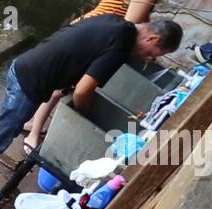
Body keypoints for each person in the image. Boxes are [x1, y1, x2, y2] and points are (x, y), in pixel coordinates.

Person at [0, 16, 183, 209]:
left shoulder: (119, 23)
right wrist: (84, 115)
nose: (145, 58)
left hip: (31, 65)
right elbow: (83, 91)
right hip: (30, 79)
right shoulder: (122, 44)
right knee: (1, 137)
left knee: (5, 134)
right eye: (150, 54)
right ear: (152, 39)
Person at [23, 0, 159, 151]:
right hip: (96, 39)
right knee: (58, 89)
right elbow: (128, 26)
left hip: (91, 29)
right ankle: (33, 133)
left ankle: (33, 123)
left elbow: (141, 22)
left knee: (58, 85)